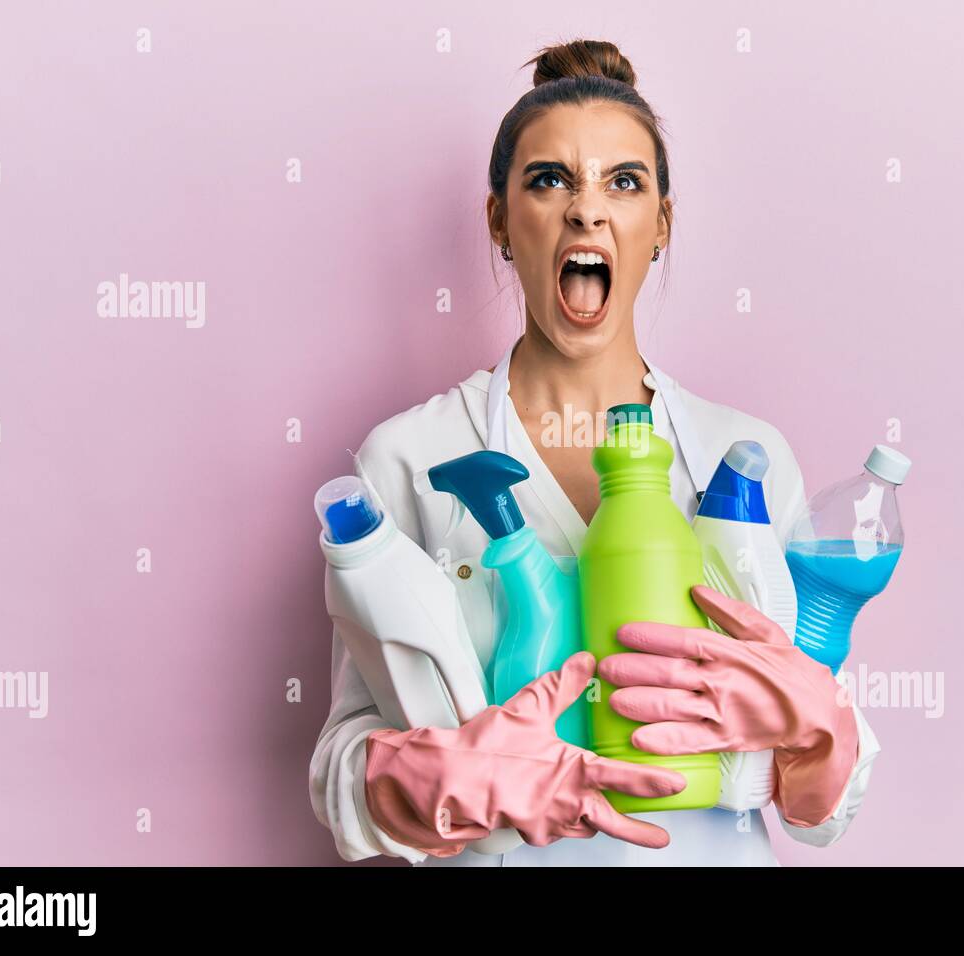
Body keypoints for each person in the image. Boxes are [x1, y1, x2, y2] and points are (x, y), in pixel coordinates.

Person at [309, 38, 881, 866]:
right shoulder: (410, 457)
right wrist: (438, 777)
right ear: (502, 221)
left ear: (660, 226)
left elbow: (817, 816)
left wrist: (820, 725)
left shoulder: (743, 456)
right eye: (549, 181)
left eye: (624, 182)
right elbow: (337, 771)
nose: (586, 210)